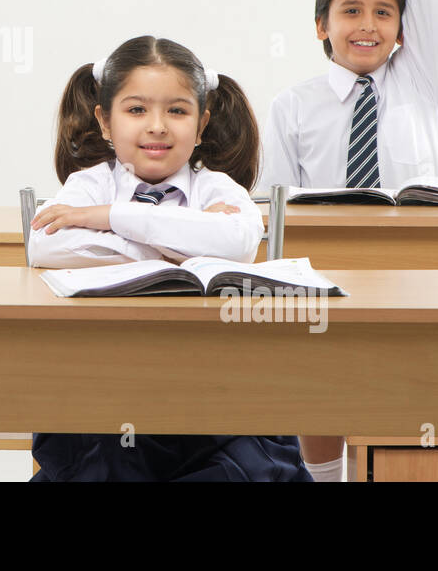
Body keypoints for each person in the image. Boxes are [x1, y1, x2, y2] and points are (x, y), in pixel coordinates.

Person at [260, 0, 438, 482]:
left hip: (414, 266)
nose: (368, 24)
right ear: (322, 25)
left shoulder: (416, 81)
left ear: (403, 29)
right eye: (351, 9)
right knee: (320, 349)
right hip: (325, 272)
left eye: (384, 12)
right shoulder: (293, 103)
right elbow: (272, 208)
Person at [27, 35, 311, 481]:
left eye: (177, 111)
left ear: (201, 126)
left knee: (253, 465)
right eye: (137, 110)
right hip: (109, 392)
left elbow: (238, 241)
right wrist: (184, 243)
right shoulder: (88, 185)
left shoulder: (216, 188)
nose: (157, 126)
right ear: (104, 121)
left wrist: (111, 219)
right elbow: (47, 244)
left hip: (217, 397)